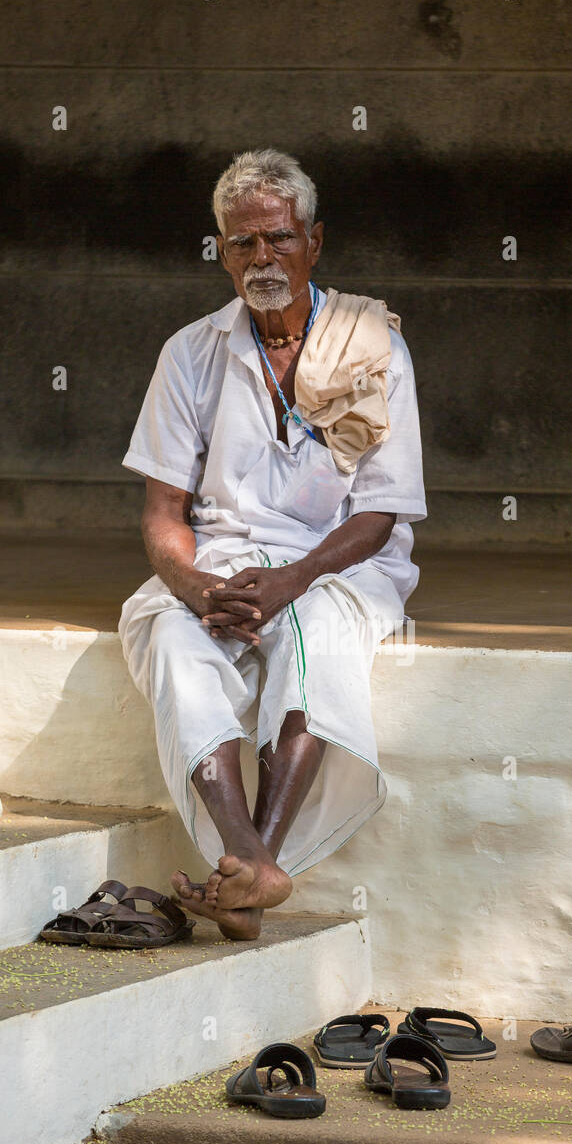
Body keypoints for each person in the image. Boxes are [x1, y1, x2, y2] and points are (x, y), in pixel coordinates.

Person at [118, 148, 425, 940]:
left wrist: (294, 576)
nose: (262, 259)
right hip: (217, 563)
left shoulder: (374, 346)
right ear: (221, 250)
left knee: (314, 633)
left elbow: (381, 514)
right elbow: (162, 511)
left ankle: (256, 861)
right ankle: (251, 863)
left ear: (313, 242)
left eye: (278, 239)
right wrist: (193, 588)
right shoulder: (190, 352)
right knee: (175, 643)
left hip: (335, 561)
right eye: (242, 243)